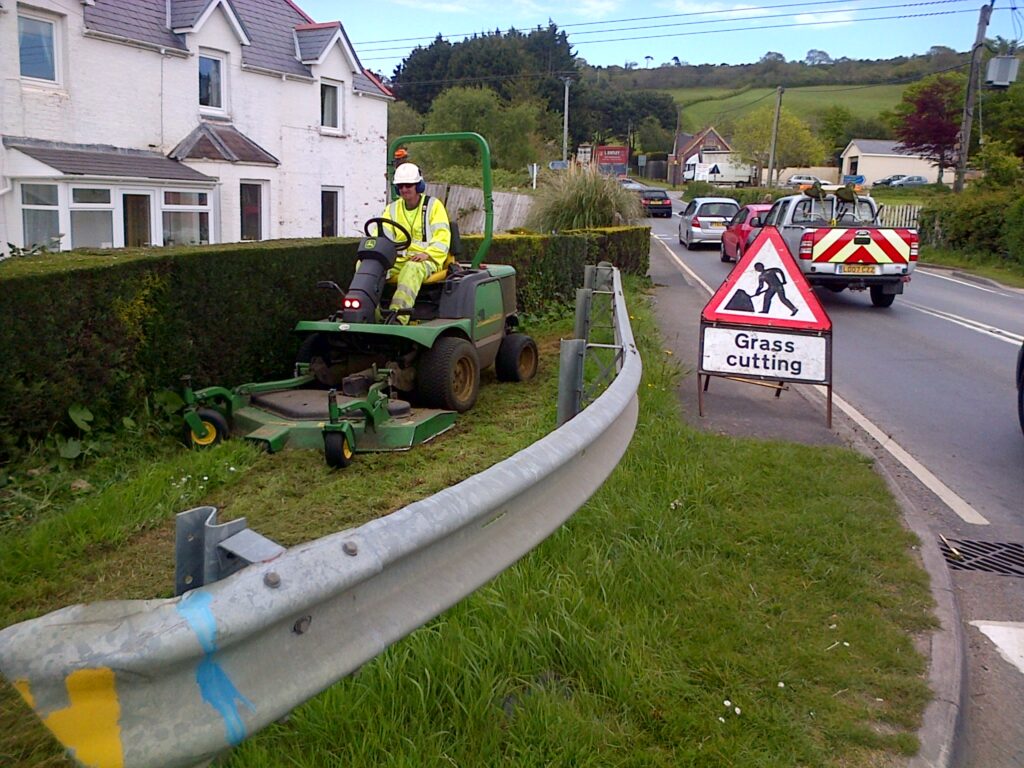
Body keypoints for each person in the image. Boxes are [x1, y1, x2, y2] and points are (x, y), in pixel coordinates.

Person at [380, 163, 452, 323]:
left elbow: (442, 237)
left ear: (418, 185)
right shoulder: (391, 210)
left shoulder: (433, 206)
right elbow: (383, 235)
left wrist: (427, 254)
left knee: (411, 268)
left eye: (408, 185)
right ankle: (370, 312)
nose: (404, 189)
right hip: (398, 258)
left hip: (426, 259)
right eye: (400, 186)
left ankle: (398, 317)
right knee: (366, 264)